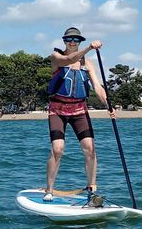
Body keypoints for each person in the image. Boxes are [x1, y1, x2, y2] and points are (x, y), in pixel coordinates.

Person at [43, 26, 111, 201]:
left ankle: (92, 190)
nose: (72, 42)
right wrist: (88, 48)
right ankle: (49, 190)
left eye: (76, 40)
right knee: (58, 149)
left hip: (80, 110)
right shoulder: (56, 57)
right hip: (58, 109)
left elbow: (97, 87)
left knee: (90, 148)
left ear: (79, 41)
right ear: (64, 41)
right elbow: (67, 60)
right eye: (69, 39)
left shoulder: (87, 64)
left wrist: (108, 105)